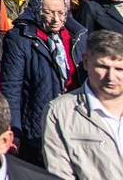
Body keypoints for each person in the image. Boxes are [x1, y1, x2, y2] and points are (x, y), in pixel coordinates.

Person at [1, 0, 87, 166]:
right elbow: (12, 87)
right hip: (39, 122)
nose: (56, 19)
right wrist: (14, 130)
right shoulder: (20, 38)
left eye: (61, 13)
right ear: (36, 10)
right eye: (49, 13)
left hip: (76, 119)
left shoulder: (77, 35)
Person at [43, 30, 123, 179]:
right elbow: (59, 173)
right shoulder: (60, 112)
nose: (111, 77)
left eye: (119, 69)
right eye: (103, 67)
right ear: (85, 61)